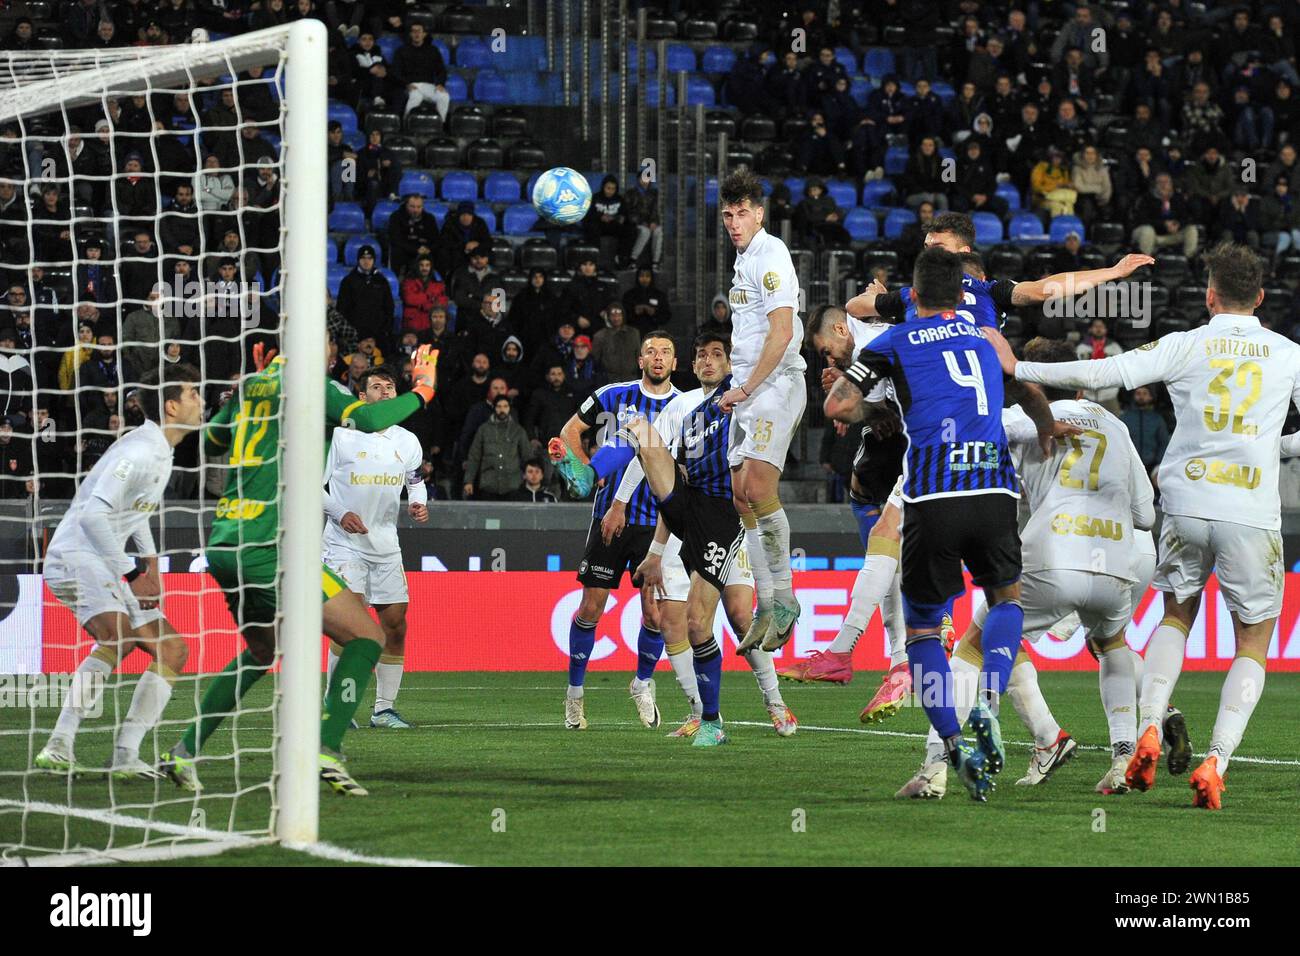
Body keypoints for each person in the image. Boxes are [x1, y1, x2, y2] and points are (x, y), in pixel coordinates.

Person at [999, 242, 1300, 810]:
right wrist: (1274, 445)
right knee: (1252, 641)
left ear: (1209, 296)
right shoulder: (1288, 353)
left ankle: (1150, 728)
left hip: (1186, 501)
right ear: (1261, 297)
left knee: (1177, 616)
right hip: (1251, 510)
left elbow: (1108, 370)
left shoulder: (1186, 344)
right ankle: (1217, 760)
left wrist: (1020, 368)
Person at [162, 343, 440, 797]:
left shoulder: (252, 388)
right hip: (272, 547)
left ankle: (183, 751)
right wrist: (423, 389)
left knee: (261, 649)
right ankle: (327, 750)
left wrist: (252, 403)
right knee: (367, 638)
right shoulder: (312, 384)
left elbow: (211, 439)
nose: (331, 355)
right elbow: (370, 419)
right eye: (326, 346)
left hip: (225, 541)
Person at [905, 337, 1156, 798]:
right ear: (1076, 383)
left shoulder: (1018, 417)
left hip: (1053, 554)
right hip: (1118, 563)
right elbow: (1146, 515)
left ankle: (934, 768)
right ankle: (1122, 758)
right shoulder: (1117, 428)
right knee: (1112, 645)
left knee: (971, 651)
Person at [825, 247, 1032, 801]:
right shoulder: (986, 334)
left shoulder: (894, 340)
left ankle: (952, 740)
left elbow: (837, 406)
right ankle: (988, 700)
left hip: (933, 495)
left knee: (921, 632)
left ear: (912, 296)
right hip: (993, 487)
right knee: (1007, 601)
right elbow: (1018, 376)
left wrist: (880, 412)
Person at [617, 332, 798, 741]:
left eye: (717, 354)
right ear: (693, 365)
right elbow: (673, 486)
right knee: (642, 430)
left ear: (731, 363)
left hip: (726, 517)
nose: (709, 361)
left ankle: (774, 702)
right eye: (702, 356)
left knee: (733, 617)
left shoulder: (742, 401)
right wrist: (656, 550)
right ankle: (707, 716)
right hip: (690, 512)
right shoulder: (691, 415)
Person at [34, 365, 204, 779]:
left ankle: (126, 754)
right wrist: (132, 573)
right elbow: (94, 515)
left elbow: (134, 513)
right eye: (193, 394)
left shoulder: (160, 449)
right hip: (77, 555)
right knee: (120, 637)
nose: (201, 401)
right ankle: (58, 744)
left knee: (172, 651)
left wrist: (150, 564)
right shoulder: (140, 451)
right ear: (171, 405)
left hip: (110, 561)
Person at [546, 333, 679, 730]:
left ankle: (642, 683)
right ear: (640, 360)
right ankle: (574, 695)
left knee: (654, 613)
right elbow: (570, 431)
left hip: (655, 522)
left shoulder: (684, 406)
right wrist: (593, 472)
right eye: (652, 351)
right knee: (591, 607)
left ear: (675, 362)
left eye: (666, 352)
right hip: (608, 517)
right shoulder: (612, 395)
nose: (658, 358)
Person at [709, 170, 807, 655]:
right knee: (739, 495)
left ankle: (787, 597)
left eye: (742, 212)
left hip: (776, 383)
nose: (733, 221)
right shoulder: (743, 256)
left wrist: (744, 387)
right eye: (727, 214)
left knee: (758, 488)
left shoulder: (771, 255)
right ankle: (766, 602)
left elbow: (782, 332)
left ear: (760, 213)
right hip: (748, 388)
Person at [322, 365, 428, 730]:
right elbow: (311, 485)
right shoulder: (340, 437)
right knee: (346, 626)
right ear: (362, 397)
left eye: (390, 387)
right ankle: (335, 703)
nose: (385, 391)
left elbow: (415, 480)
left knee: (395, 625)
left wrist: (418, 501)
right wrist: (339, 512)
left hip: (385, 545)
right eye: (376, 387)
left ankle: (384, 709)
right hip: (343, 544)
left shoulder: (407, 441)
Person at [463, 394, 530, 500]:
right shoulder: (483, 430)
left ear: (509, 408)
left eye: (505, 406)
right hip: (489, 485)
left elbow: (527, 457)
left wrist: (529, 481)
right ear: (494, 408)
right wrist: (468, 481)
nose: (502, 409)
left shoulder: (518, 431)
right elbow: (474, 457)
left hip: (513, 485)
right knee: (489, 516)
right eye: (499, 406)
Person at [1075, 318, 1125, 412]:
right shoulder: (1082, 347)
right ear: (1090, 329)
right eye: (1095, 326)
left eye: (1101, 326)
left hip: (1109, 395)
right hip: (1087, 395)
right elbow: (1077, 371)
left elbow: (1120, 370)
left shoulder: (1114, 347)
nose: (1098, 329)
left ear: (1106, 330)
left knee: (1114, 424)